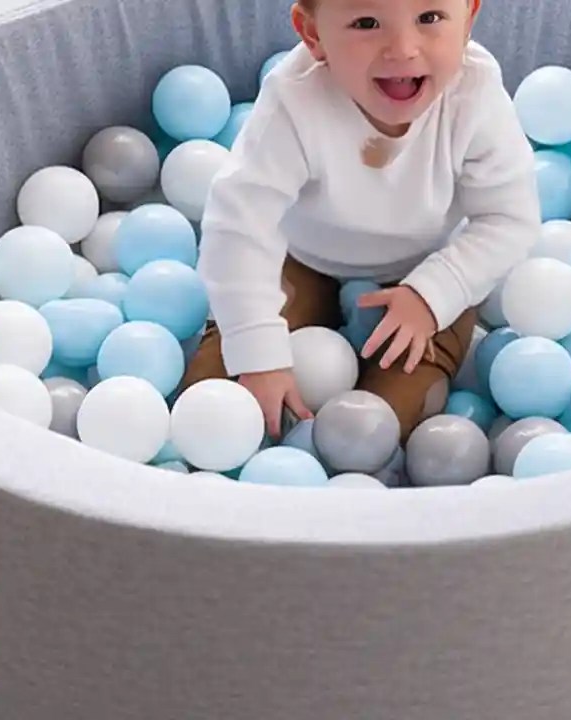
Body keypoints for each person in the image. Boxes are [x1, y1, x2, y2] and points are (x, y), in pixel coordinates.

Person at [183, 0, 540, 442]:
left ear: (468, 16)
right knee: (214, 393)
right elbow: (240, 224)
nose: (403, 49)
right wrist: (257, 354)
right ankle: (198, 466)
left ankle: (360, 489)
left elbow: (509, 219)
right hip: (302, 260)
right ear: (313, 34)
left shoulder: (475, 93)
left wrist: (434, 293)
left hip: (424, 268)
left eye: (429, 18)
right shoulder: (295, 100)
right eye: (367, 23)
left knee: (380, 424)